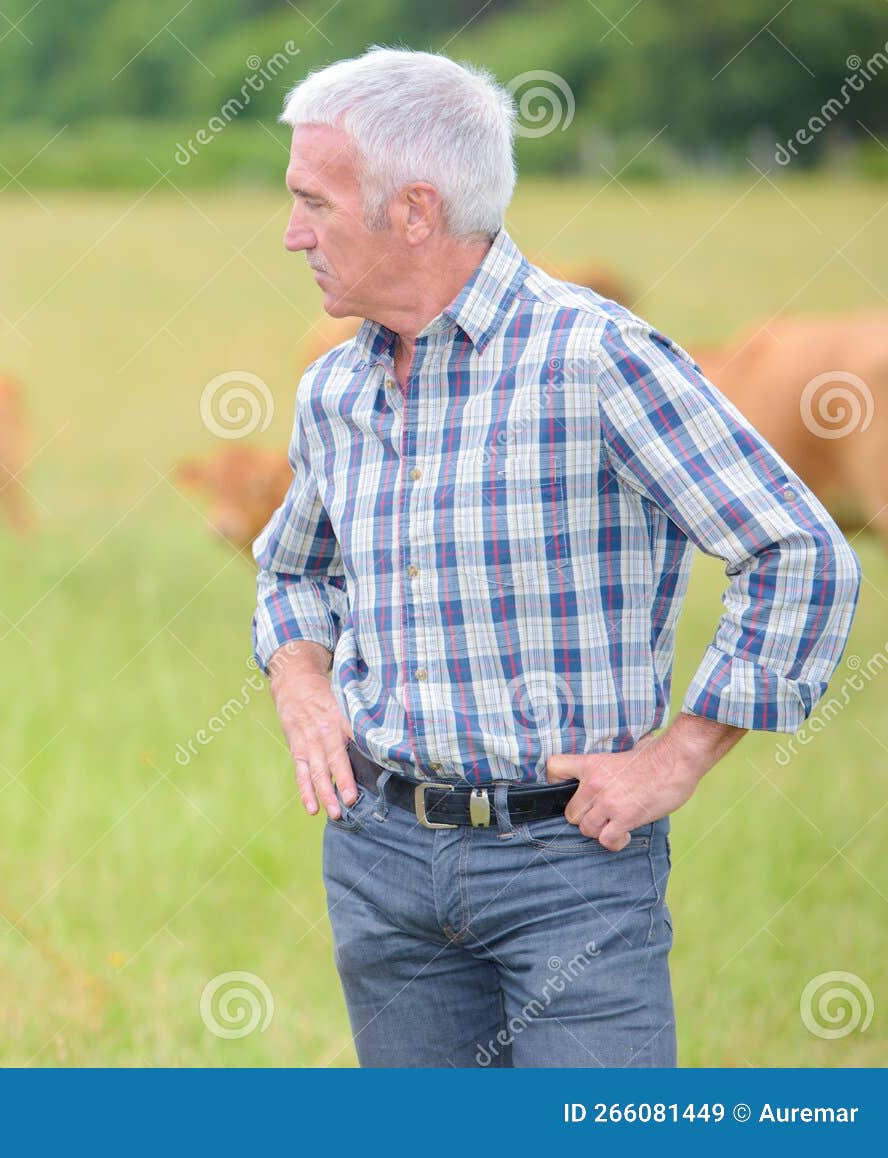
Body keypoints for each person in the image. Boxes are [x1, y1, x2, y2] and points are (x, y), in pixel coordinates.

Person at [252, 47, 861, 1067]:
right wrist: (299, 679)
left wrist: (679, 757)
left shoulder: (597, 359)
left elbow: (798, 553)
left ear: (412, 211)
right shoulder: (334, 391)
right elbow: (293, 570)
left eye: (313, 202)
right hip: (377, 859)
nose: (291, 234)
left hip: (570, 868)